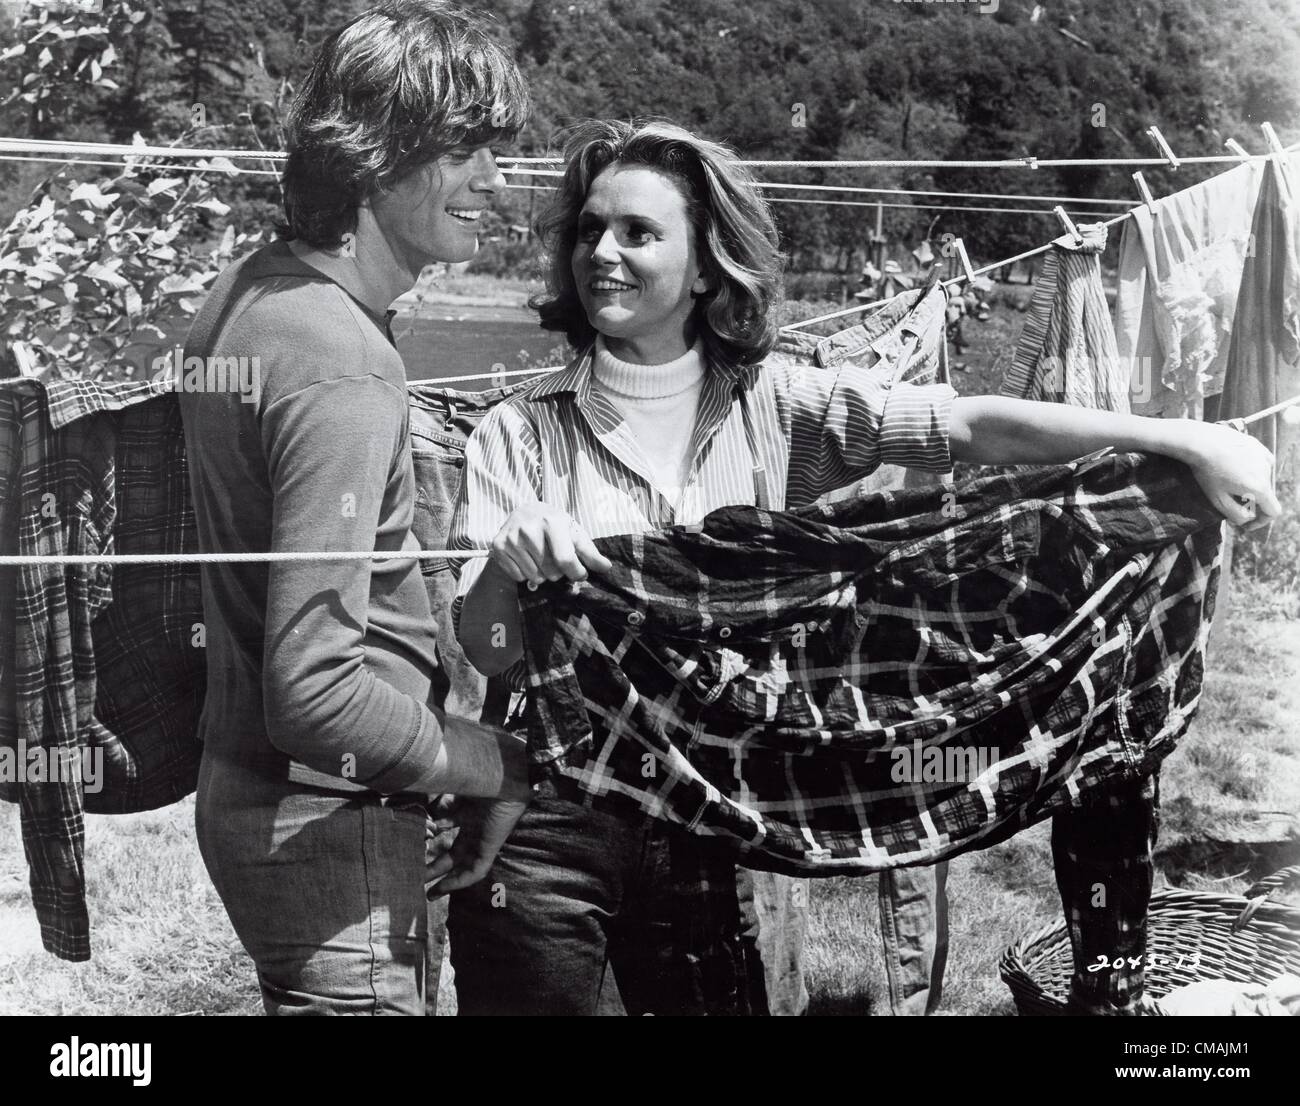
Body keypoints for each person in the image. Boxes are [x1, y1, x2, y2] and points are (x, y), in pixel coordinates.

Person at [448, 119, 1279, 1017]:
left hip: (716, 814)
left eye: (637, 233)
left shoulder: (778, 405)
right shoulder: (519, 430)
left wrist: (1176, 438)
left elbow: (968, 429)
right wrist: (506, 561)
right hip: (551, 823)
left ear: (702, 268)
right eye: (587, 231)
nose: (602, 253)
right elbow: (491, 652)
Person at [178, 1, 532, 1015]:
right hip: (329, 819)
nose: (494, 185)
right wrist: (493, 764)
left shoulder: (254, 290)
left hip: (258, 794)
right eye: (467, 153)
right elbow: (316, 691)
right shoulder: (339, 357)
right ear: (379, 156)